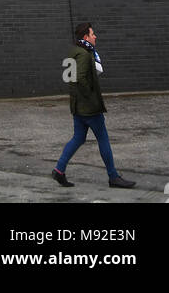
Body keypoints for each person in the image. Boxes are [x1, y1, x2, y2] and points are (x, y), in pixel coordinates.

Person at [51, 23, 134, 188]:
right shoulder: (83, 54)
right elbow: (81, 78)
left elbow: (72, 78)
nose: (95, 36)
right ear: (85, 37)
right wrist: (91, 97)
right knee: (103, 138)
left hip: (77, 107)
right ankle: (113, 177)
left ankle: (59, 170)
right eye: (92, 34)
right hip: (89, 108)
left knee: (78, 138)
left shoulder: (74, 52)